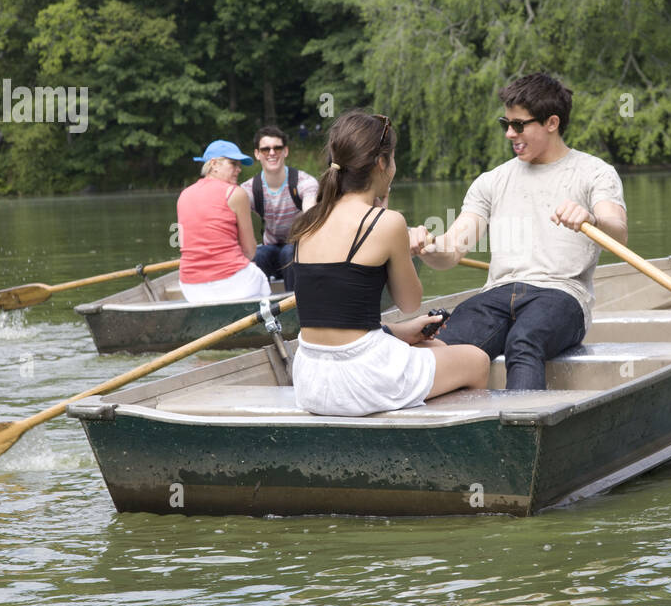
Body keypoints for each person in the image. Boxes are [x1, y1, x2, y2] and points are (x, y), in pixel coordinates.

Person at [409, 72, 628, 390]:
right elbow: (451, 251)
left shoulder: (595, 172)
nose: (510, 133)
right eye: (506, 124)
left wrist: (592, 219)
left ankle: (522, 431)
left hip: (563, 296)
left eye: (519, 125)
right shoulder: (491, 181)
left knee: (523, 342)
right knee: (441, 345)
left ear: (552, 123)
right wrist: (428, 246)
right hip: (497, 295)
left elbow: (619, 234)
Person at [289, 110, 490, 417]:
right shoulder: (388, 223)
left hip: (310, 380)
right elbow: (411, 301)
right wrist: (392, 230)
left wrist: (401, 332)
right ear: (382, 163)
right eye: (392, 158)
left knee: (433, 349)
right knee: (477, 361)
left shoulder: (308, 221)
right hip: (361, 379)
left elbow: (339, 317)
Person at [175, 139, 270, 303]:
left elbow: (185, 246)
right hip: (234, 283)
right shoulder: (236, 193)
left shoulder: (183, 195)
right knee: (260, 277)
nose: (239, 169)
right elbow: (249, 250)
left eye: (239, 165)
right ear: (214, 164)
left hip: (190, 287)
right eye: (233, 163)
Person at [239, 126, 318, 291]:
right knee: (257, 255)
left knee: (288, 252)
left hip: (297, 251)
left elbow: (311, 214)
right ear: (257, 154)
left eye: (277, 148)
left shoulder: (304, 182)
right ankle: (261, 308)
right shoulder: (248, 189)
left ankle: (293, 308)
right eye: (266, 149)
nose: (272, 153)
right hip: (269, 251)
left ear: (286, 151)